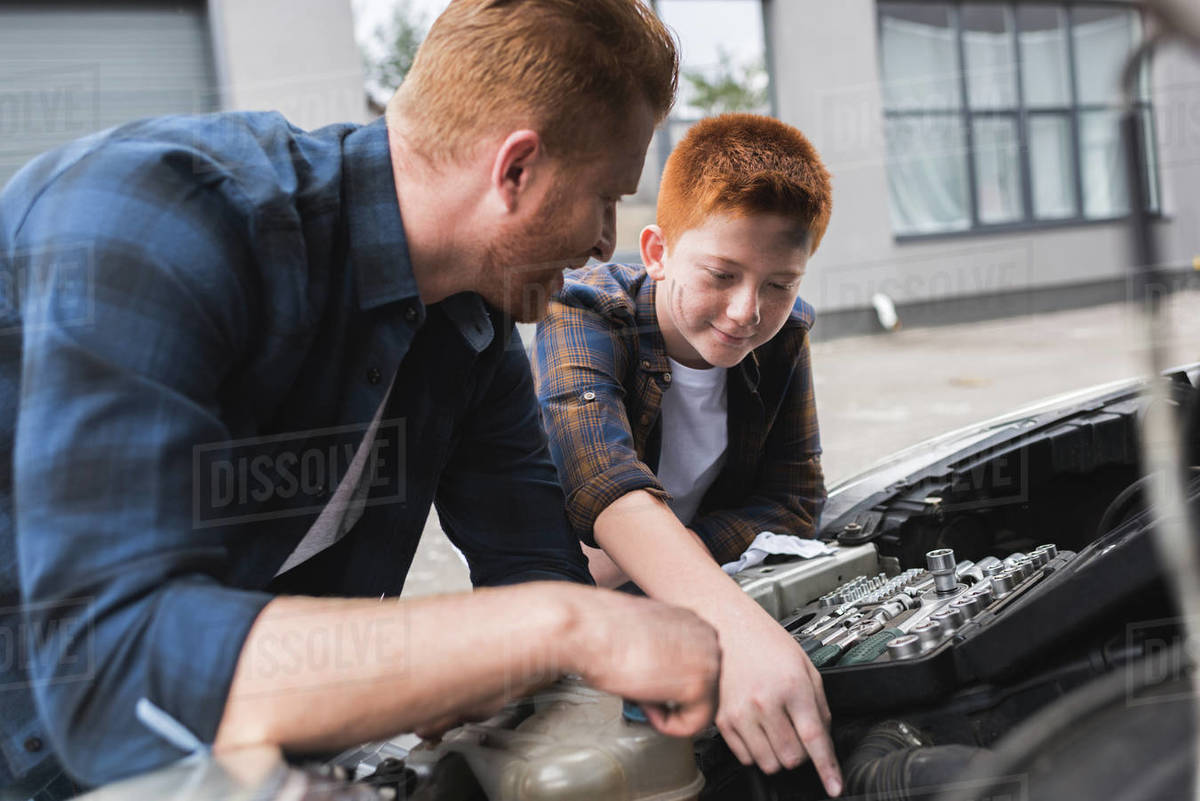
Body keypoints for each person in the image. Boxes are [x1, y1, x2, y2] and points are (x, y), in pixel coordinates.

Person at [0, 1, 722, 796]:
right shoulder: (163, 219)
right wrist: (555, 630)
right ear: (516, 170)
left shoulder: (472, 326)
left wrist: (511, 648)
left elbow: (532, 571)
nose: (605, 243)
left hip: (260, 750)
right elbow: (111, 672)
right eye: (606, 197)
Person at [533, 113, 842, 796]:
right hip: (559, 621)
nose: (745, 311)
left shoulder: (784, 337)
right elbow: (599, 478)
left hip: (664, 587)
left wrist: (668, 560)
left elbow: (795, 500)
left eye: (778, 284)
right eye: (722, 273)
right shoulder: (581, 312)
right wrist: (727, 618)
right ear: (657, 250)